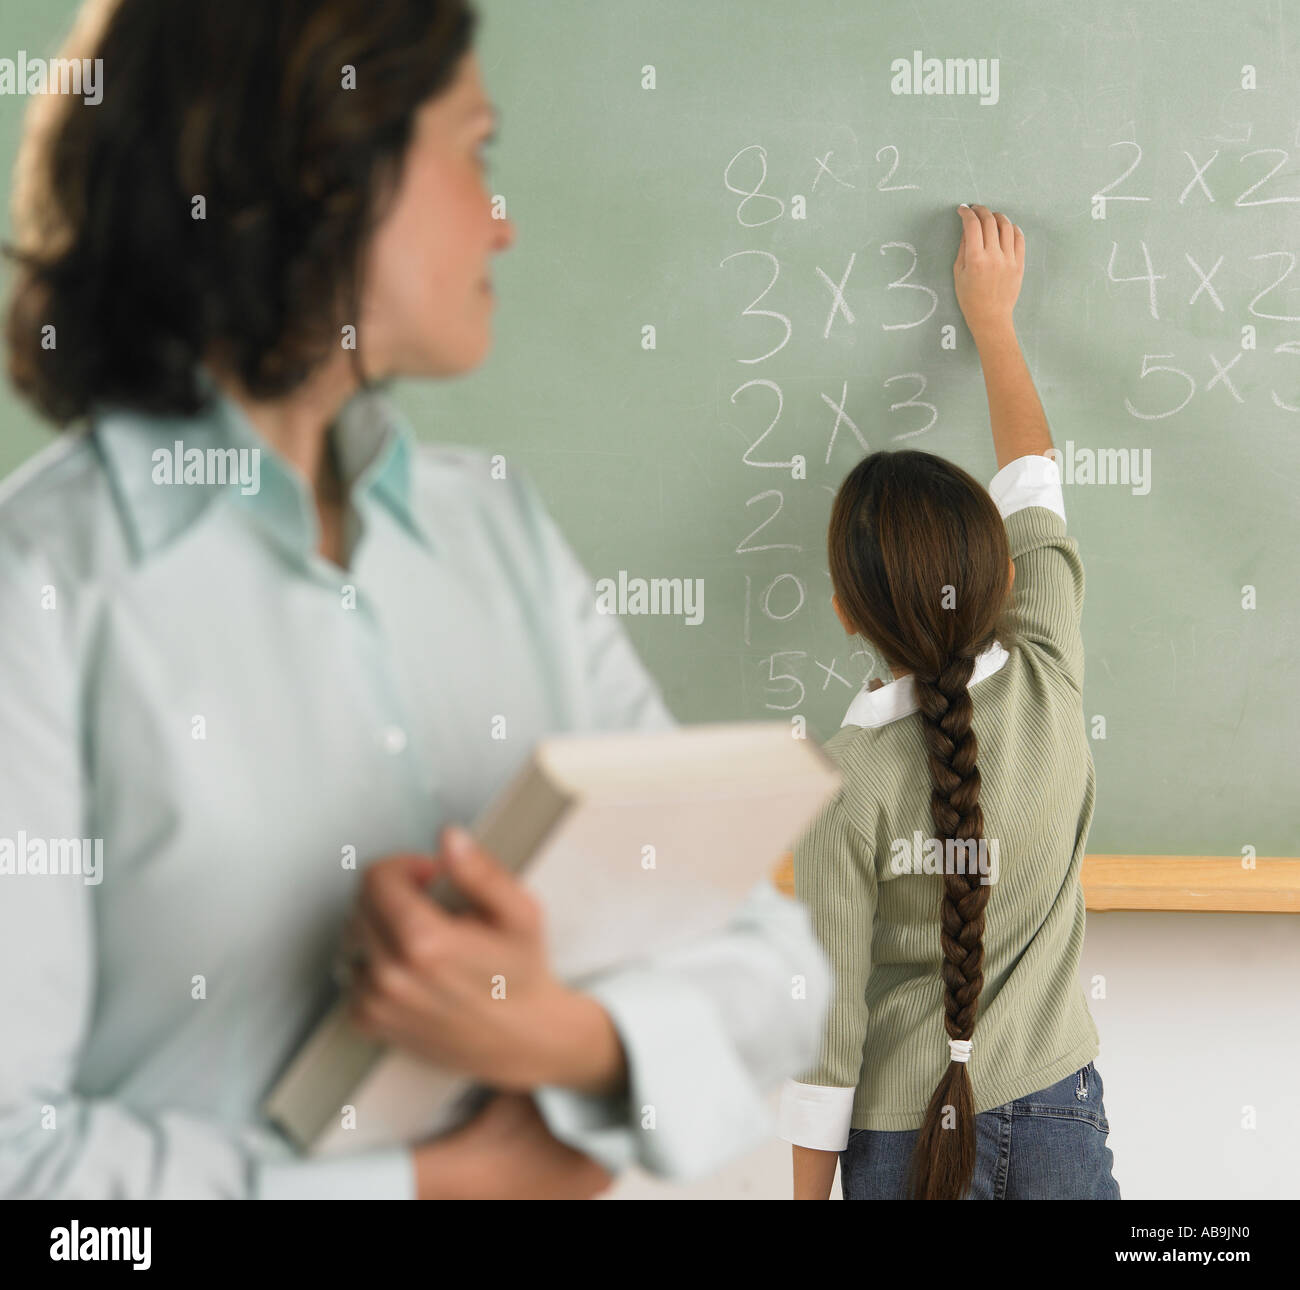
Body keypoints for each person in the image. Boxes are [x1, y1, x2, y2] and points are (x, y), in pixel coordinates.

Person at [0, 0, 831, 1200]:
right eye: (475, 148)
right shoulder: (38, 592)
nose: (501, 222)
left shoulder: (496, 536)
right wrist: (437, 1187)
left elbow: (773, 966)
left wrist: (552, 1035)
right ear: (326, 167)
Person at [779, 204, 1121, 1200]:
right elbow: (1032, 483)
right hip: (1057, 1102)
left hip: (896, 1139)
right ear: (999, 577)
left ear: (846, 612)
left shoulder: (844, 783)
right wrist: (994, 321)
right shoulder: (1047, 660)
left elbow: (827, 1027)